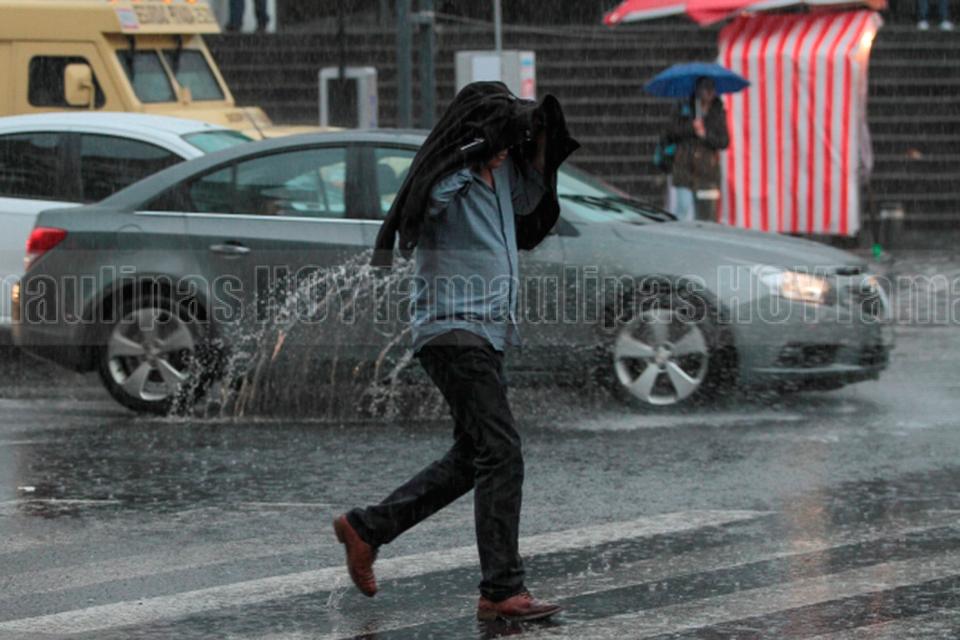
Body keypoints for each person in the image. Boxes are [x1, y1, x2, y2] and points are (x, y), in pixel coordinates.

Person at [334, 82, 578, 623]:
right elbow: (425, 205)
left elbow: (528, 203)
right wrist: (472, 158)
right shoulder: (450, 171)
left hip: (488, 332)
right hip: (450, 329)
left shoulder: (504, 172)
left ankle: (367, 528)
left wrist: (535, 149)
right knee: (503, 452)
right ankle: (501, 590)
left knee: (475, 457)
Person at [664, 77, 729, 222]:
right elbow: (671, 132)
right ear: (698, 90)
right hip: (684, 169)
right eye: (706, 88)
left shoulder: (718, 111)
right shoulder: (684, 107)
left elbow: (724, 141)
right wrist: (691, 128)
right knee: (683, 212)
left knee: (706, 216)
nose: (710, 93)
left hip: (707, 172)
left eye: (712, 89)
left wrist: (705, 135)